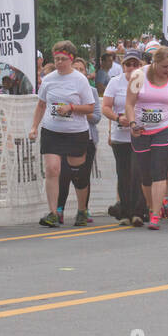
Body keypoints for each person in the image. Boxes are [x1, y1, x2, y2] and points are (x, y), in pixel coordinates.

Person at [28, 41, 98, 228]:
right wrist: (34, 127)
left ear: (71, 59)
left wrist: (72, 107)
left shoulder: (80, 80)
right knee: (52, 169)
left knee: (78, 175)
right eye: (56, 59)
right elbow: (41, 105)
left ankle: (82, 209)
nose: (58, 63)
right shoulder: (49, 79)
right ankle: (53, 213)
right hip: (52, 131)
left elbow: (90, 107)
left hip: (76, 132)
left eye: (62, 59)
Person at [125, 47, 168, 230]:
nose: (167, 70)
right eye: (164, 66)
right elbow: (129, 104)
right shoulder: (138, 76)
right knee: (145, 174)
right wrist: (132, 124)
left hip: (165, 126)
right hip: (141, 129)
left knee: (158, 169)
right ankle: (152, 205)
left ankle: (155, 215)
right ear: (154, 63)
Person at [102, 48, 147, 224]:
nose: (131, 67)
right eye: (128, 64)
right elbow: (106, 106)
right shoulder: (115, 82)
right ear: (123, 66)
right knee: (124, 174)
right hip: (121, 135)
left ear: (141, 65)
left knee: (138, 173)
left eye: (135, 64)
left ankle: (139, 212)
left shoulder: (146, 82)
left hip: (140, 134)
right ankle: (126, 212)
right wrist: (118, 119)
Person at [58, 58, 101, 224]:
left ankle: (83, 210)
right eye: (75, 69)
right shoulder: (61, 90)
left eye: (81, 69)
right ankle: (59, 209)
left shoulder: (92, 91)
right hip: (64, 136)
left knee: (82, 176)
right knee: (63, 174)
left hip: (86, 138)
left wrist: (78, 110)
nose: (78, 72)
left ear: (86, 73)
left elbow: (96, 117)